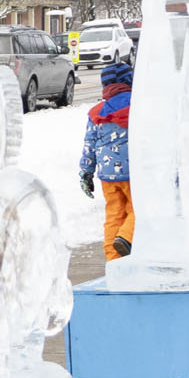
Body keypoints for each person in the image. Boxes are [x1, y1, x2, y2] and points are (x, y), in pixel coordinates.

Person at [79, 55, 134, 260]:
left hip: (107, 175)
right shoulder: (139, 106)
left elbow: (89, 144)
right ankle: (126, 238)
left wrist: (86, 172)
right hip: (133, 172)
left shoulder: (96, 112)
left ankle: (113, 259)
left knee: (114, 214)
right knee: (137, 210)